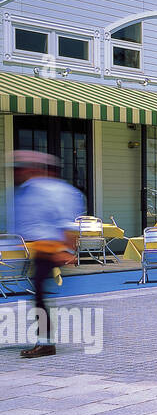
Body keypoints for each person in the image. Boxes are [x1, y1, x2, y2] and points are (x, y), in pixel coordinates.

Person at [12, 151, 84, 359]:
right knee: (39, 295)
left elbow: (66, 222)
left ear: (34, 168)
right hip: (34, 249)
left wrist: (67, 250)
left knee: (40, 295)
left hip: (50, 249)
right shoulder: (25, 191)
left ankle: (45, 343)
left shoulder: (55, 190)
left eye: (21, 169)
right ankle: (44, 340)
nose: (18, 173)